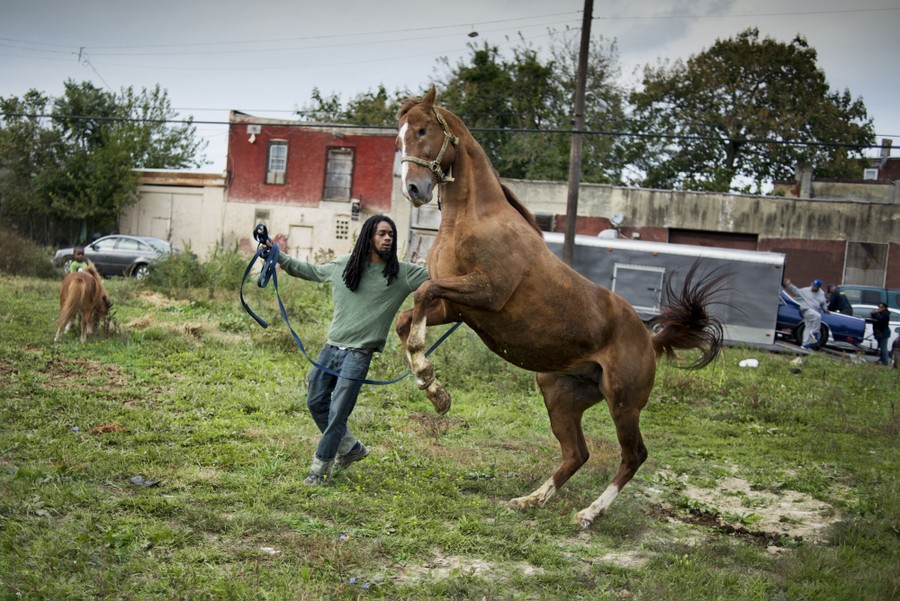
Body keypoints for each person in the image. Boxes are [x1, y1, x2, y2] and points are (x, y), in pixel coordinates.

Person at [269, 214, 429, 485]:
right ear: (368, 237)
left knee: (338, 412)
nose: (388, 238)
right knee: (315, 401)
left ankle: (318, 471)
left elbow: (439, 278)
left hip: (359, 355)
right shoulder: (344, 265)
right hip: (331, 349)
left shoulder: (403, 274)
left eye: (391, 234)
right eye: (382, 233)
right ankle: (351, 448)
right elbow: (309, 270)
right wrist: (276, 256)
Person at [783, 278, 828, 350]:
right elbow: (796, 291)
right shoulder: (806, 290)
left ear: (819, 288)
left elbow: (823, 303)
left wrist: (825, 309)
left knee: (808, 327)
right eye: (813, 285)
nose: (813, 287)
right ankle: (815, 332)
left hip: (814, 311)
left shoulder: (821, 293)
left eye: (815, 287)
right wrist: (789, 285)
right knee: (818, 317)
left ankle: (805, 344)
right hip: (806, 309)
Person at [869, 302, 891, 366]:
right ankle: (881, 360)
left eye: (881, 307)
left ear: (884, 308)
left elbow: (880, 319)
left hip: (884, 332)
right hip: (879, 332)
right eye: (879, 307)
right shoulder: (879, 313)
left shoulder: (885, 314)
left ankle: (885, 363)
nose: (879, 308)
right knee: (881, 347)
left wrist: (876, 314)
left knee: (883, 347)